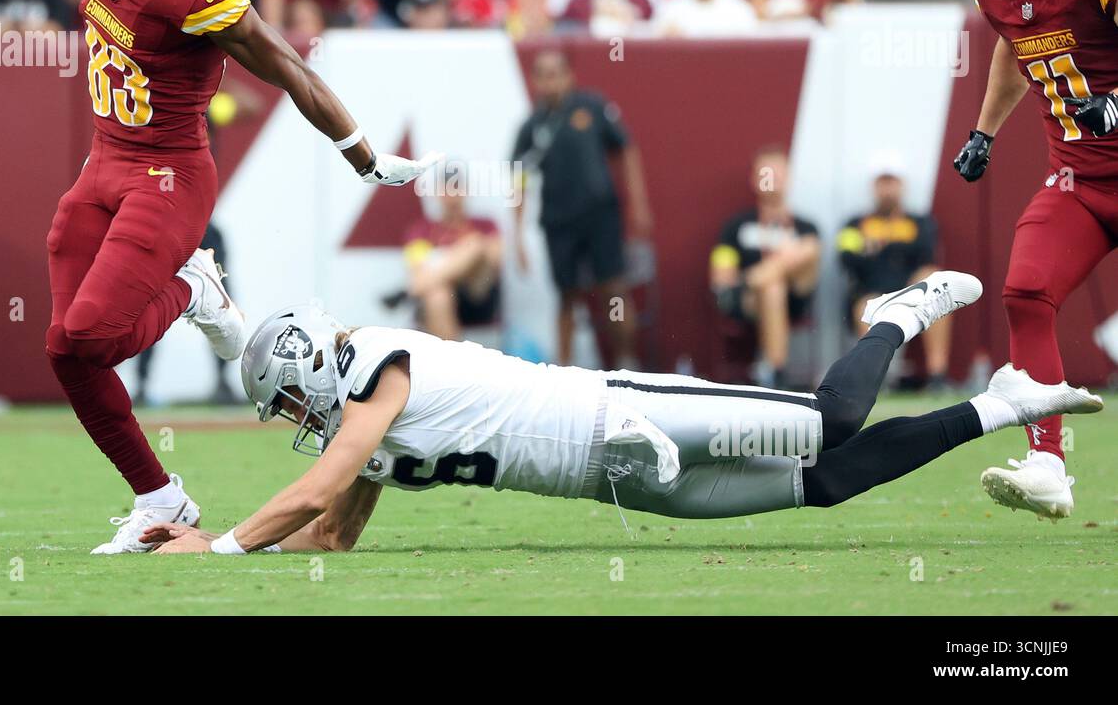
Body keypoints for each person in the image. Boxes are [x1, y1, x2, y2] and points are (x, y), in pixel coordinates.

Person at [17, 0, 439, 554]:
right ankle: (159, 497)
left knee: (95, 337)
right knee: (63, 350)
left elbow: (291, 69)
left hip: (167, 176)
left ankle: (193, 289)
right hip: (102, 163)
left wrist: (363, 155)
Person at [137, 274, 1104, 555]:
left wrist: (220, 551)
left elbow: (318, 484)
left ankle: (894, 316)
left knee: (825, 422)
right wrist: (216, 546)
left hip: (622, 414)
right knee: (824, 487)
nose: (300, 416)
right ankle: (998, 407)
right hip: (618, 481)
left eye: (292, 396)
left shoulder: (373, 365)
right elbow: (328, 539)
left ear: (315, 362)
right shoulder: (364, 441)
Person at [955, 0, 1118, 520]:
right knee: (1025, 289)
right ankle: (1049, 463)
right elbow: (1013, 47)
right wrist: (984, 131)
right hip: (1082, 180)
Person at [512, 50, 652, 367]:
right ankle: (561, 369)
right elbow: (519, 176)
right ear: (534, 81)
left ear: (570, 76)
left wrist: (638, 202)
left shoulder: (592, 108)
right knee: (566, 295)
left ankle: (627, 362)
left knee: (613, 288)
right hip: (558, 221)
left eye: (556, 73)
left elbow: (625, 148)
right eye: (543, 75)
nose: (550, 82)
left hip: (600, 215)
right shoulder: (532, 126)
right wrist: (517, 234)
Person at [711, 147, 820, 389]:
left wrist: (769, 270)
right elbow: (721, 278)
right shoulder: (736, 227)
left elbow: (809, 269)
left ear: (789, 179)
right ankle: (775, 374)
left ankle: (770, 369)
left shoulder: (805, 227)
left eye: (778, 174)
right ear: (754, 179)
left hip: (795, 297)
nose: (772, 180)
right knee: (772, 288)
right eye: (766, 174)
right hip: (747, 298)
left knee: (806, 251)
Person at [839, 153, 950, 390]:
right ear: (874, 186)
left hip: (912, 294)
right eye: (882, 183)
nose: (887, 190)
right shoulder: (854, 223)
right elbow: (846, 257)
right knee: (865, 308)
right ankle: (875, 382)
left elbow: (926, 254)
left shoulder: (920, 222)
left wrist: (878, 245)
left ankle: (937, 375)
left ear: (901, 186)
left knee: (938, 286)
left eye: (892, 182)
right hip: (871, 294)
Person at [393, 183, 502, 341]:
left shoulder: (485, 226)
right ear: (438, 194)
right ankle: (453, 364)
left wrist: (461, 255)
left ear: (465, 192)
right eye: (447, 191)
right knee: (437, 295)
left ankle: (406, 292)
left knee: (475, 244)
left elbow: (495, 261)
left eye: (456, 189)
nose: (452, 198)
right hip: (440, 298)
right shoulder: (421, 231)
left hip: (477, 294)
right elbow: (416, 269)